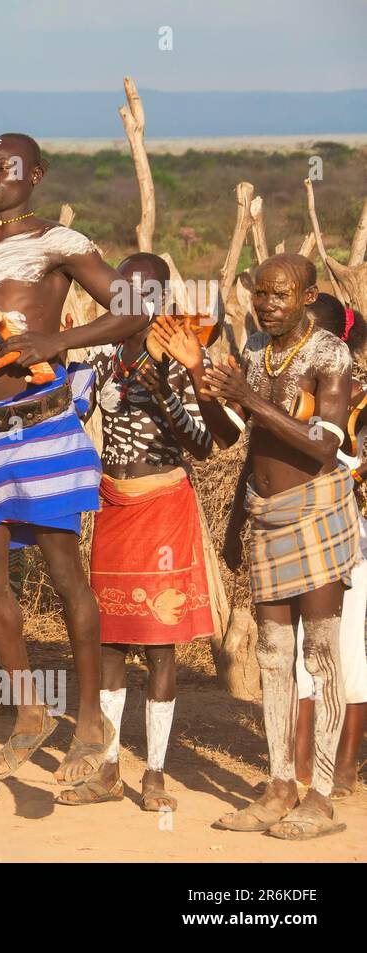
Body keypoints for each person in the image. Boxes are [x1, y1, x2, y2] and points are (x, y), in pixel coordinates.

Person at [0, 133, 157, 787]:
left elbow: (134, 308)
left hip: (43, 425)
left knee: (66, 573)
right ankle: (31, 708)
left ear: (34, 175)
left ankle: (90, 716)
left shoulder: (60, 246)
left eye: (3, 170)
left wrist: (55, 339)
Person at [59, 253, 218, 808]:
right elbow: (71, 411)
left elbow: (205, 445)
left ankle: (154, 772)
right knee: (108, 642)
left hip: (162, 504)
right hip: (113, 503)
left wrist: (168, 393)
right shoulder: (103, 356)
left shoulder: (179, 354)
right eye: (121, 287)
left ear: (162, 295)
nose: (129, 297)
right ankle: (105, 769)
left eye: (143, 289)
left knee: (159, 646)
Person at [207, 255, 355, 840]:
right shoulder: (254, 353)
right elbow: (236, 439)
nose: (267, 304)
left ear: (308, 296)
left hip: (316, 512)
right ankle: (277, 785)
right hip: (264, 517)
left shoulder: (330, 356)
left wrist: (248, 395)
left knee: (320, 655)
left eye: (280, 295)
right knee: (272, 656)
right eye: (260, 294)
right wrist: (212, 391)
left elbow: (324, 445)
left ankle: (319, 795)